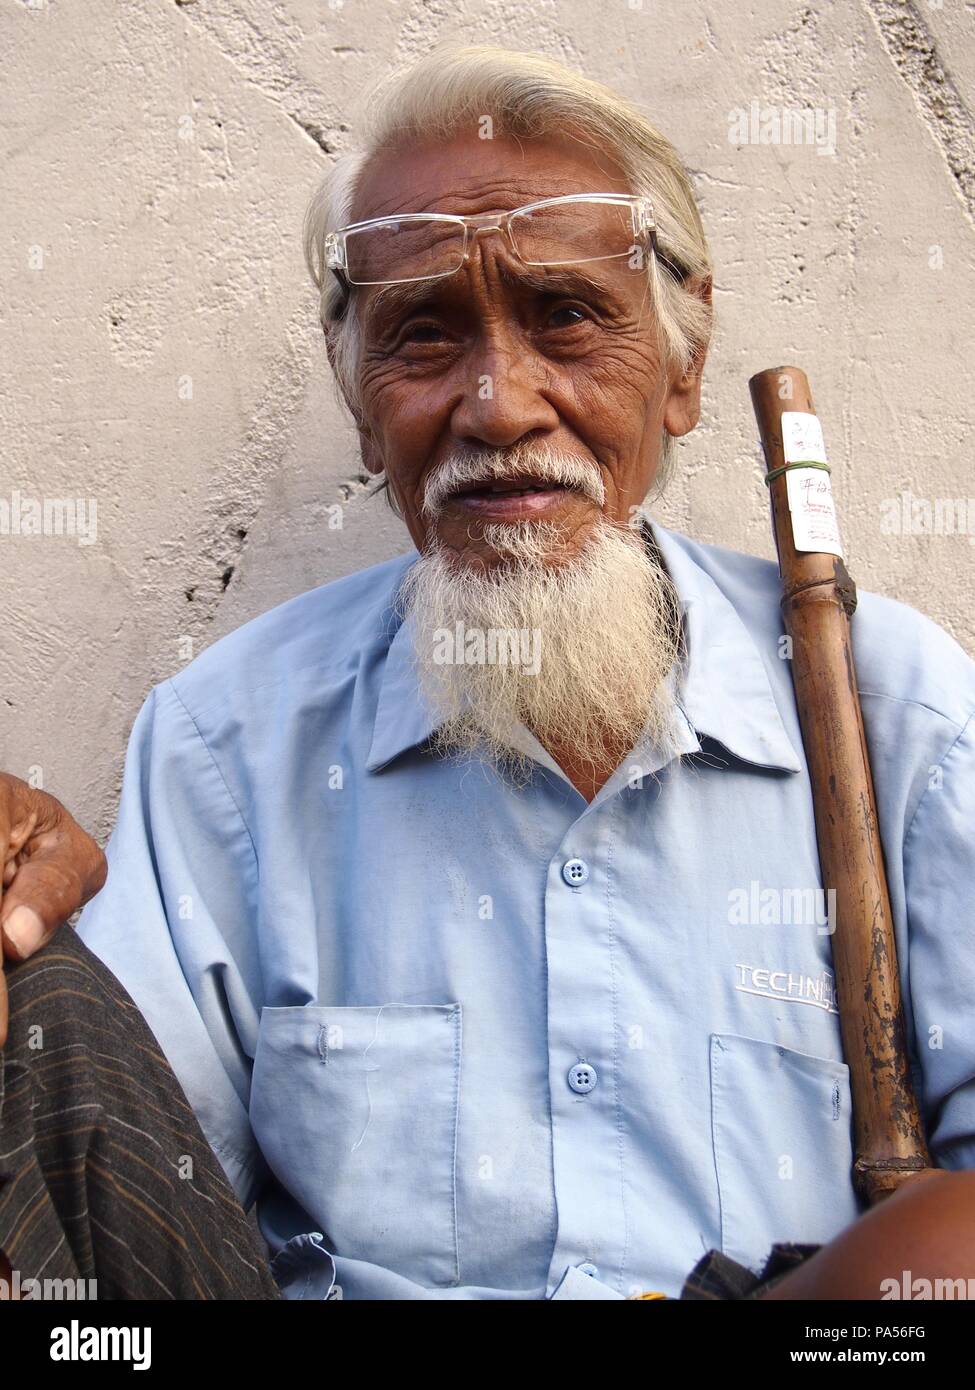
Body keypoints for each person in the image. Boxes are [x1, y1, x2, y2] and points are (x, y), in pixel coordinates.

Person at [3, 44, 975, 1301]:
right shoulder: (228, 746)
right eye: (424, 334)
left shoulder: (895, 716)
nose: (500, 403)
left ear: (682, 369)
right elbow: (127, 1206)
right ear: (361, 402)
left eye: (567, 315)